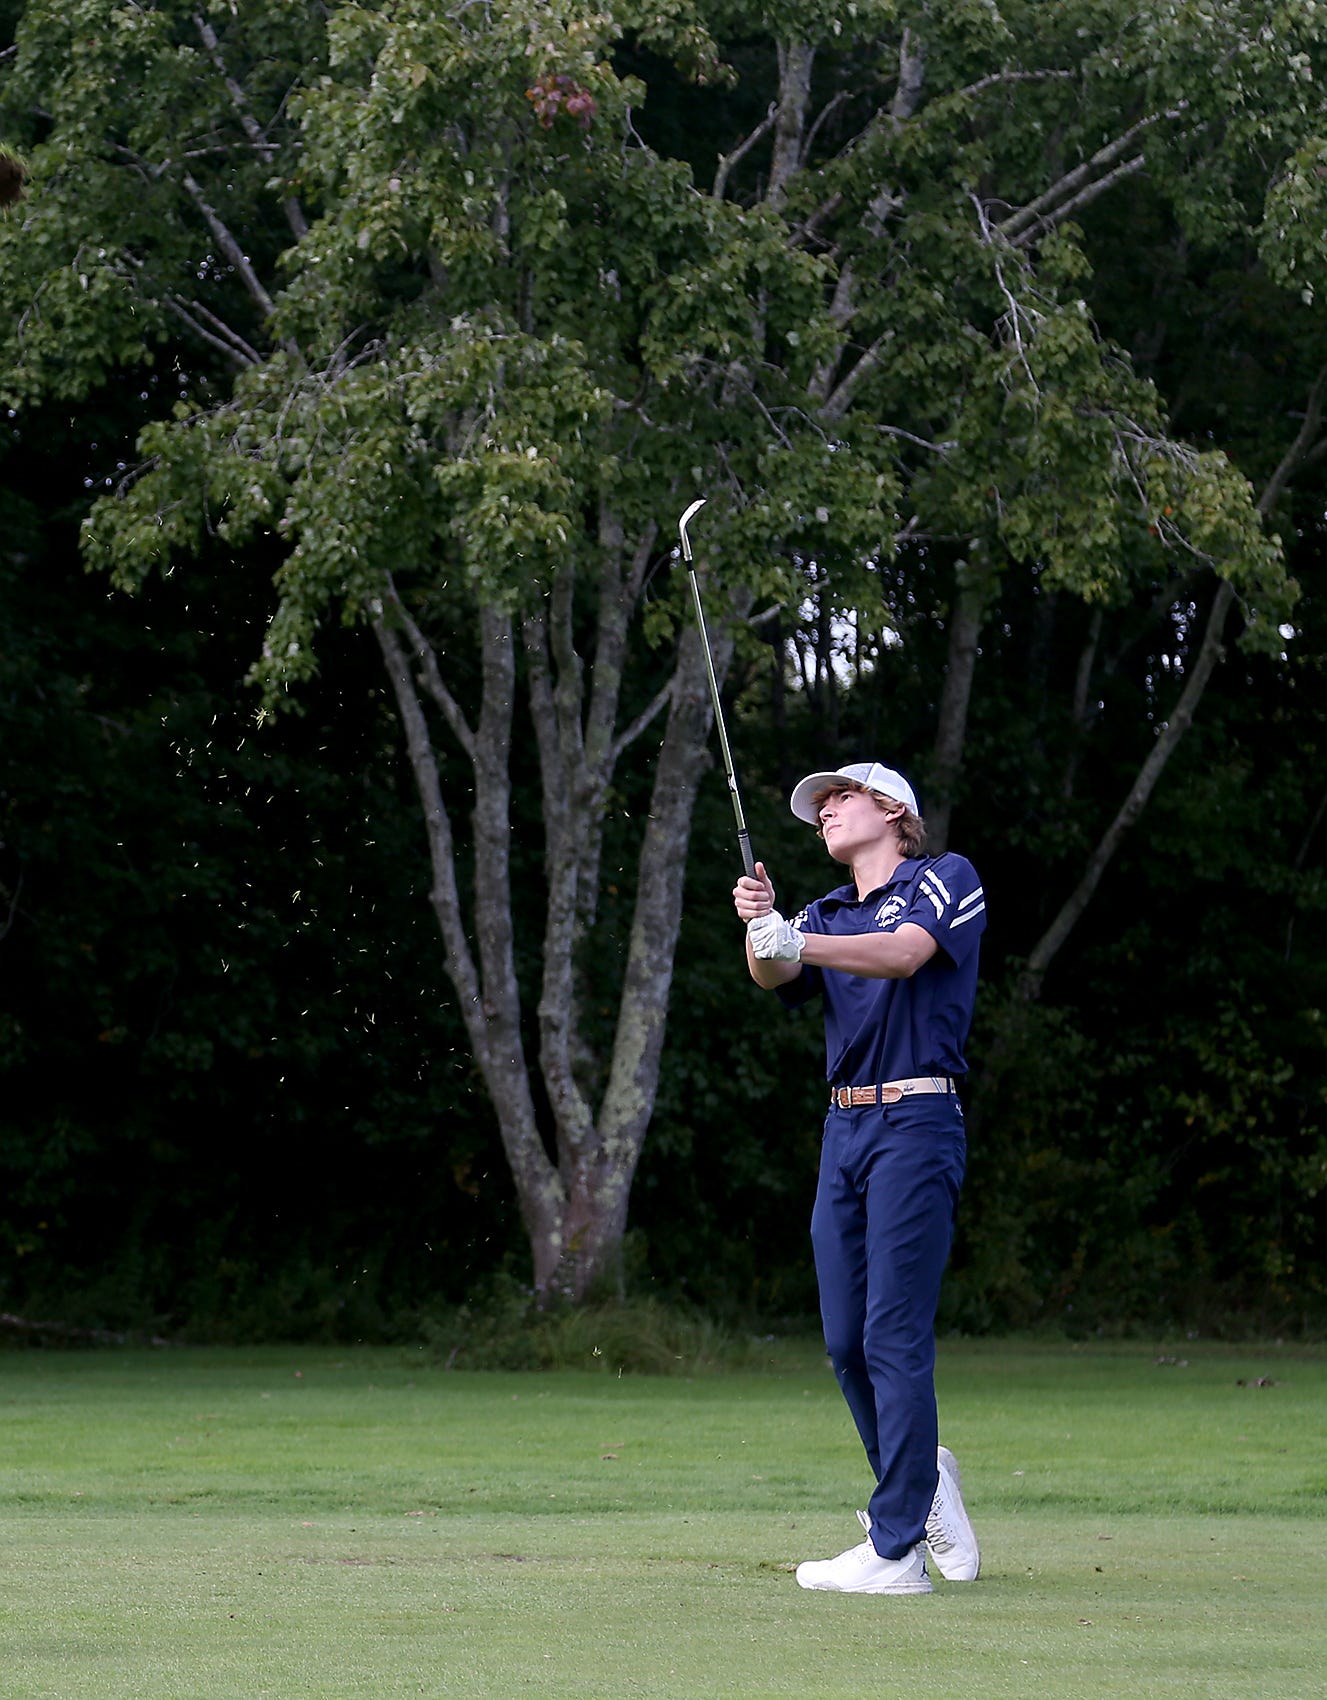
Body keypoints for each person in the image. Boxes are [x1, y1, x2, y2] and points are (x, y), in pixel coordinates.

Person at [733, 761, 985, 1595]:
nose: (826, 813)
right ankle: (919, 1490)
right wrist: (763, 931)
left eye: (840, 797)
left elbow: (905, 954)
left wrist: (797, 939)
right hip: (845, 1123)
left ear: (891, 809)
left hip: (916, 1119)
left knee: (892, 1334)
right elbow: (775, 977)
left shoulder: (942, 879)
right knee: (845, 1340)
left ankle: (893, 1550)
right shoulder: (825, 910)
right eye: (820, 807)